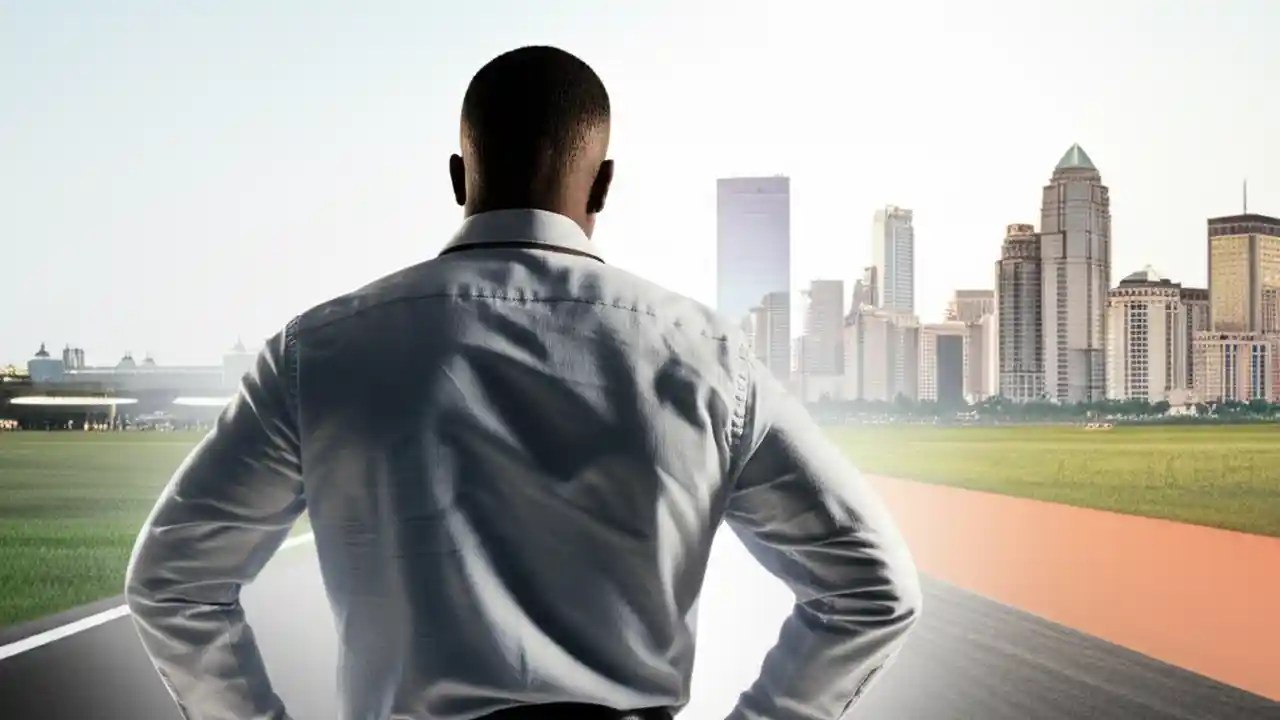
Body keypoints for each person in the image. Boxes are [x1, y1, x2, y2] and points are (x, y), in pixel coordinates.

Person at [124, 45, 922, 720]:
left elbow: (172, 583)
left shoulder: (321, 351)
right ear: (603, 185)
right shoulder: (710, 358)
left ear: (456, 176)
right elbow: (873, 591)